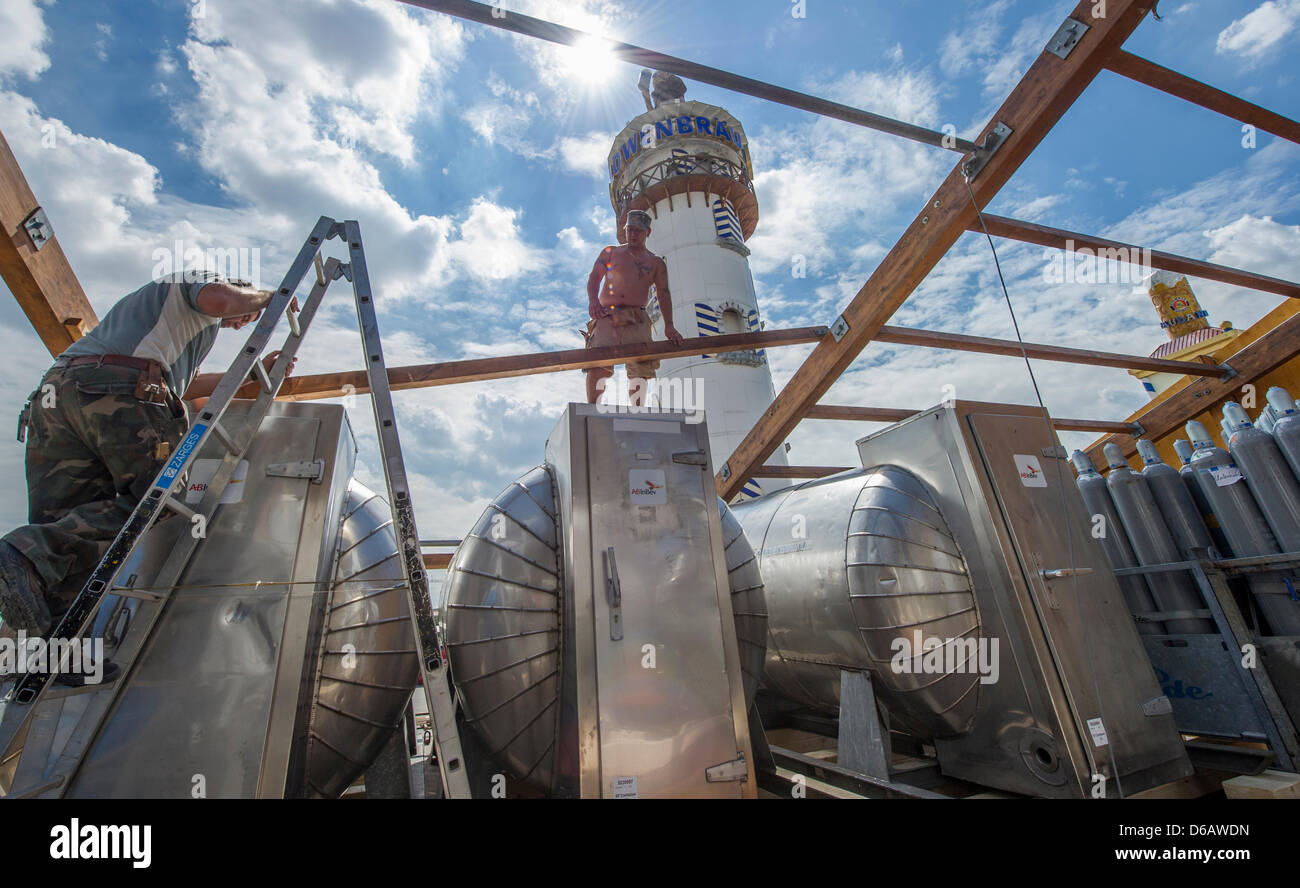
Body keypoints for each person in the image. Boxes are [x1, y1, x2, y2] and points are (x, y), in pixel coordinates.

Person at [0, 271, 297, 673]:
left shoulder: (166, 328)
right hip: (120, 390)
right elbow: (219, 299)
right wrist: (268, 297)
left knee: (66, 532)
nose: (240, 321)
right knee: (165, 501)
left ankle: (51, 652)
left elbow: (188, 387)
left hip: (58, 397)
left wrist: (256, 371)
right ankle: (23, 552)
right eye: (241, 312)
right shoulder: (195, 285)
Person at [583, 210, 684, 406]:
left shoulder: (655, 263)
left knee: (641, 366)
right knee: (598, 363)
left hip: (637, 317)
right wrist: (593, 301)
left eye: (638, 230)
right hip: (606, 315)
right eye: (629, 230)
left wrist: (669, 325)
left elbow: (664, 293)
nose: (633, 234)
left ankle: (637, 410)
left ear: (648, 232)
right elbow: (594, 277)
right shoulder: (610, 252)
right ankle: (592, 408)